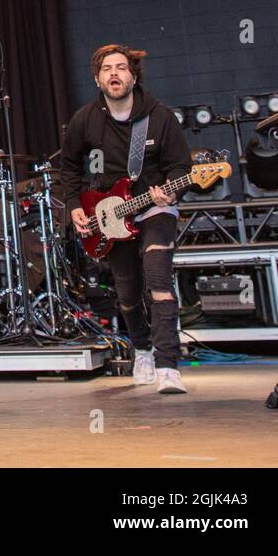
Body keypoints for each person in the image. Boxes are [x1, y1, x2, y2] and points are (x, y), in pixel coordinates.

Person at [59, 44, 191, 394]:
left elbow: (181, 167)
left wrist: (171, 191)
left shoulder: (159, 116)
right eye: (106, 69)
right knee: (128, 294)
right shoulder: (85, 119)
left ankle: (168, 366)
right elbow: (69, 166)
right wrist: (74, 204)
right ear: (98, 78)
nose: (114, 73)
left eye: (121, 67)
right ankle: (143, 349)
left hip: (153, 207)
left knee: (159, 277)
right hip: (110, 216)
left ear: (134, 75)